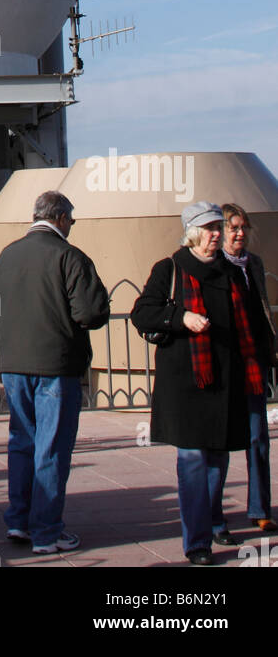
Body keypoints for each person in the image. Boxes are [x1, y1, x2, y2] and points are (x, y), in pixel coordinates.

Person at [131, 201, 263, 566]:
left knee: (218, 460)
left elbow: (250, 322)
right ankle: (198, 542)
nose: (217, 234)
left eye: (218, 226)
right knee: (192, 461)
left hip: (225, 383)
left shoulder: (233, 272)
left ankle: (213, 517)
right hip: (185, 384)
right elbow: (142, 312)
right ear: (192, 232)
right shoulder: (170, 268)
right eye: (209, 228)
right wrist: (181, 316)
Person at [0, 190, 110, 554]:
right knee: (52, 447)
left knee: (22, 442)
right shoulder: (69, 257)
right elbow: (90, 313)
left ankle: (19, 521)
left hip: (13, 364)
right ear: (59, 218)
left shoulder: (7, 255)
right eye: (71, 220)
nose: (72, 226)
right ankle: (47, 532)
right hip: (55, 365)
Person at [221, 203, 276, 533]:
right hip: (227, 363)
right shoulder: (214, 265)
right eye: (233, 227)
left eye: (243, 227)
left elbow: (262, 307)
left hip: (254, 361)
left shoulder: (254, 263)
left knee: (258, 438)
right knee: (222, 440)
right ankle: (215, 516)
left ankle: (260, 508)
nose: (240, 233)